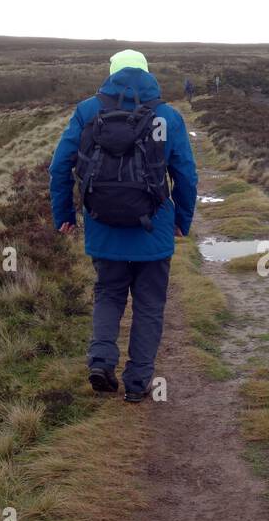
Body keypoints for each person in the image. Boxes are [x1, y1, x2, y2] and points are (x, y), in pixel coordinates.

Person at [48, 49, 198, 402]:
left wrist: (65, 216)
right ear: (147, 74)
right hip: (154, 229)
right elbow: (186, 174)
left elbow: (59, 167)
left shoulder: (88, 110)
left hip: (103, 226)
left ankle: (101, 362)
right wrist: (182, 220)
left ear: (111, 73)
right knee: (148, 304)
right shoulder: (167, 116)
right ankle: (137, 383)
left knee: (109, 293)